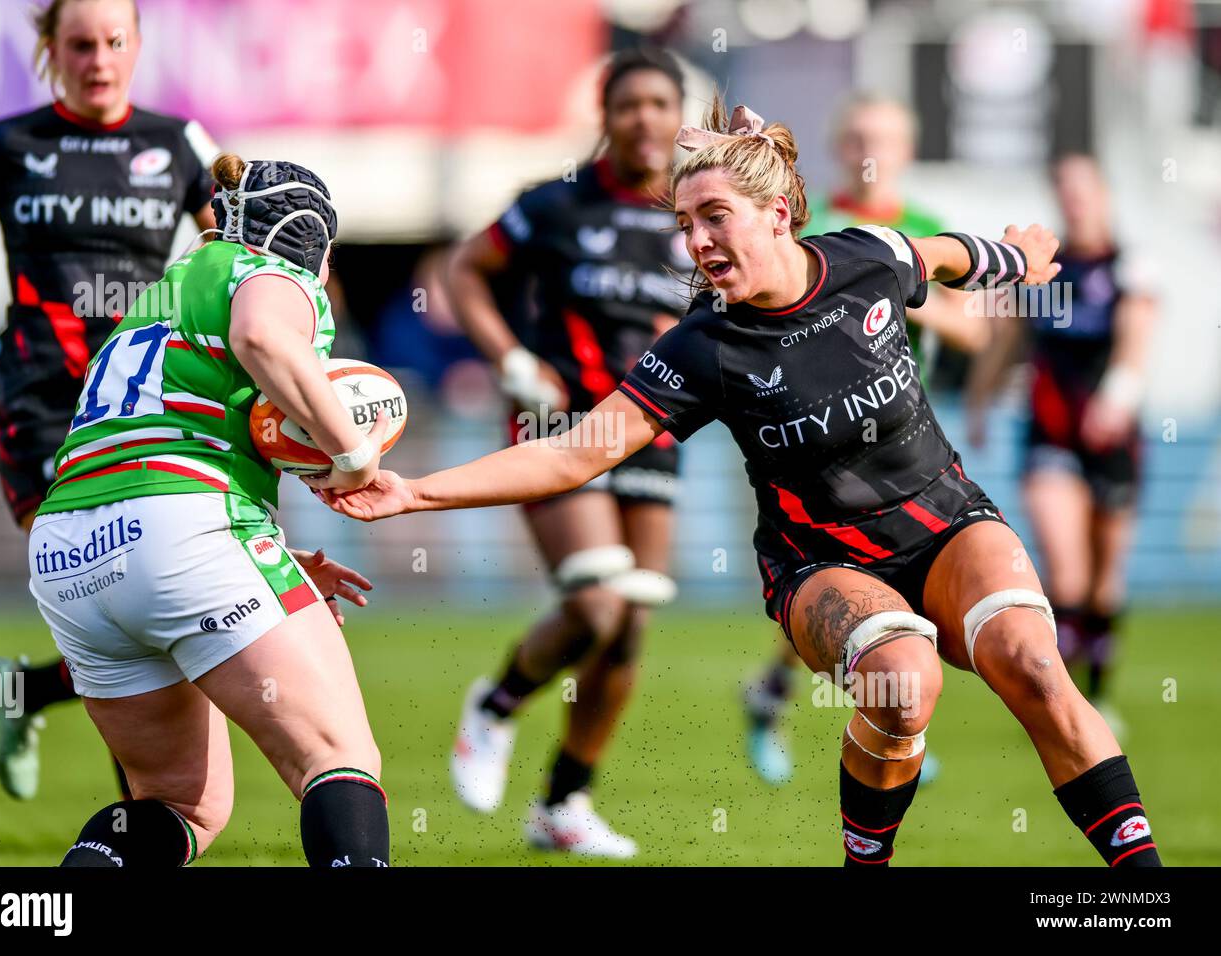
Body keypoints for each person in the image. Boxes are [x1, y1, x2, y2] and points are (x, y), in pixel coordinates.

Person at [314, 98, 1162, 867]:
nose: (698, 243)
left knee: (1035, 666)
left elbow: (945, 257)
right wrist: (415, 491)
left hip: (946, 521)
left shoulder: (868, 259)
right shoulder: (701, 346)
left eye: (715, 217)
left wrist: (1012, 258)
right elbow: (574, 454)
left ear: (780, 213)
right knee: (905, 689)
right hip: (822, 564)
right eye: (686, 225)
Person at [29, 152, 394, 867]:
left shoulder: (159, 296)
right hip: (184, 527)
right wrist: (354, 453)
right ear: (315, 244)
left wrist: (269, 557)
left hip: (68, 549)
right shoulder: (267, 272)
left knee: (176, 803)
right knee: (338, 753)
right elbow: (261, 335)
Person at [0, 0, 219, 799]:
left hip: (139, 401)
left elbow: (242, 250)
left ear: (137, 46)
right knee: (122, 592)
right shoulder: (5, 148)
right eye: (79, 44)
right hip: (39, 400)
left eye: (113, 42)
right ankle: (142, 824)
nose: (98, 59)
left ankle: (29, 694)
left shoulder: (180, 144)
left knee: (147, 614)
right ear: (50, 50)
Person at [439, 48, 690, 857]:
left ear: (678, 115)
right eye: (629, 105)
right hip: (560, 424)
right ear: (606, 117)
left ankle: (561, 807)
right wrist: (510, 360)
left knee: (628, 629)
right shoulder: (554, 205)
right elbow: (464, 271)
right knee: (596, 602)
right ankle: (497, 704)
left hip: (650, 428)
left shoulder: (698, 214)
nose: (645, 118)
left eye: (660, 103)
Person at [740, 94, 989, 786]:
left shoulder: (925, 229)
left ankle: (792, 698)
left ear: (906, 150)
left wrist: (887, 286)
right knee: (842, 586)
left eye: (882, 137)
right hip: (812, 440)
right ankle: (888, 715)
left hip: (904, 443)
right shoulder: (814, 219)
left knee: (880, 591)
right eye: (855, 137)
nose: (868, 150)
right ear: (838, 146)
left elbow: (976, 329)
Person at [967, 153, 1157, 736]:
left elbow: (1135, 340)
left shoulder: (1131, 265)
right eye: (1064, 189)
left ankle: (1101, 695)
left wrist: (1116, 398)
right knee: (1066, 573)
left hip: (1113, 436)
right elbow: (1008, 341)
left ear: (1102, 193)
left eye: (1083, 188)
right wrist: (980, 400)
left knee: (1105, 580)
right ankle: (1062, 700)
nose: (1074, 199)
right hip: (1050, 435)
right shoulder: (1044, 270)